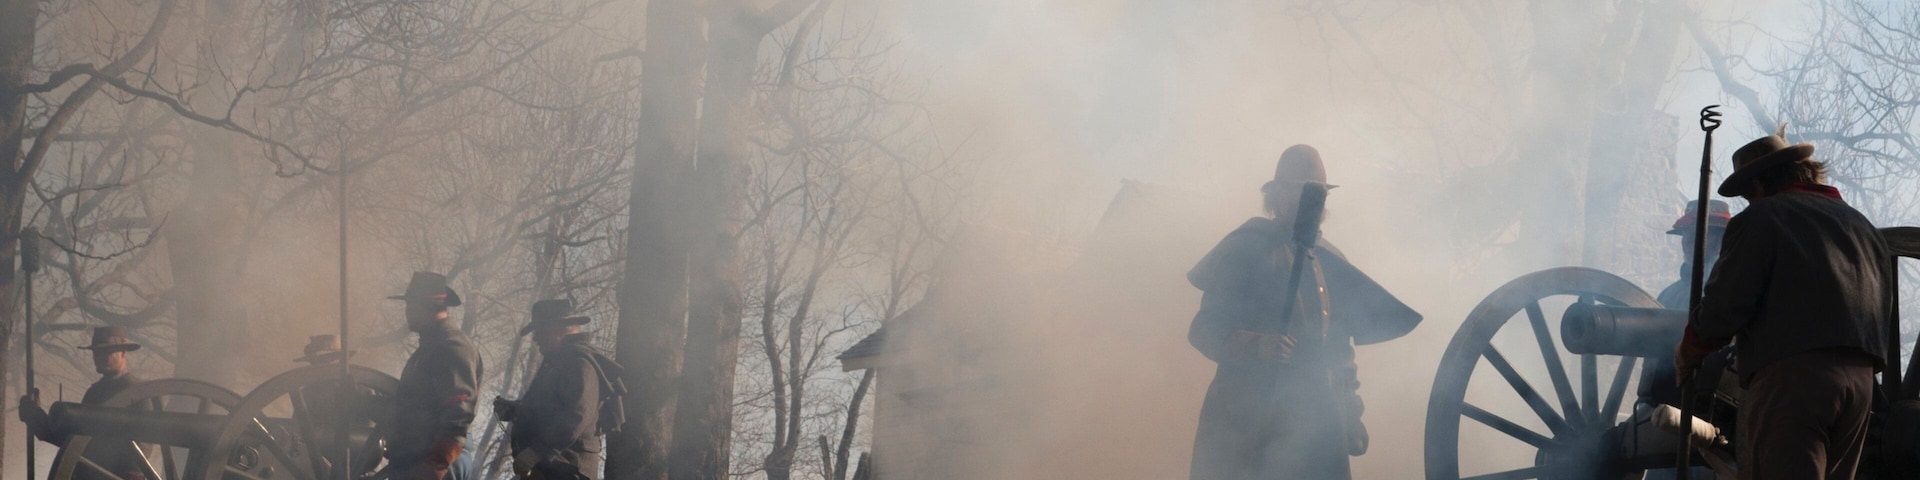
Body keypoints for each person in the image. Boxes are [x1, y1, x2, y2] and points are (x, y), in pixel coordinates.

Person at [1186, 145, 1423, 480]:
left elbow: (1339, 351)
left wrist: (1350, 415)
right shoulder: (1245, 247)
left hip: (1314, 425)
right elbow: (1204, 329)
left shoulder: (1330, 259)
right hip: (1246, 422)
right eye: (1301, 190)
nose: (1313, 201)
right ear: (1277, 194)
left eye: (1319, 193)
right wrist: (1256, 344)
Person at [1674, 131, 1891, 479]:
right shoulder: (1862, 227)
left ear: (1760, 183)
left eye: (1748, 194)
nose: (1748, 202)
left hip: (1795, 383)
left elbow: (1725, 307)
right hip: (1861, 387)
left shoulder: (1761, 218)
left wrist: (1689, 349)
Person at [1641, 199, 1729, 480]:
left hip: (1711, 412)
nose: (1687, 244)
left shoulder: (1727, 284)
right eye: (1685, 237)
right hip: (1666, 405)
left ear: (1716, 239)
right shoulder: (1669, 294)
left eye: (1695, 236)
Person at [495, 299, 616, 480]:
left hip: (567, 470)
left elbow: (575, 416)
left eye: (539, 331)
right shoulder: (559, 362)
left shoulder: (579, 363)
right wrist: (517, 410)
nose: (535, 338)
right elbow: (550, 409)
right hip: (551, 470)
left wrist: (536, 452)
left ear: (558, 328)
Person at [385, 272, 485, 480]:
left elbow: (458, 413)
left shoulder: (452, 348)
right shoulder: (430, 348)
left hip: (436, 460)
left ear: (425, 306)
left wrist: (436, 465)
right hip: (416, 458)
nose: (407, 312)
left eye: (410, 306)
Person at [18, 326, 152, 480]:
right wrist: (35, 418)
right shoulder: (94, 393)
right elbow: (74, 440)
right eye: (97, 352)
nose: (101, 357)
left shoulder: (138, 392)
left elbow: (144, 445)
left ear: (123, 353)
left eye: (108, 352)